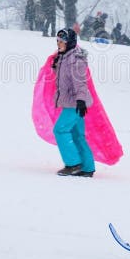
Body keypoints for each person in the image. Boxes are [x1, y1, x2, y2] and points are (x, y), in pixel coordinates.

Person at [51, 28, 96, 177]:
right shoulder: (64, 56)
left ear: (69, 42)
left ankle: (73, 164)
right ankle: (87, 168)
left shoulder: (76, 60)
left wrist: (81, 100)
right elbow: (63, 80)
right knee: (77, 135)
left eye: (62, 41)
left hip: (75, 103)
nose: (59, 44)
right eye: (58, 41)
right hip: (72, 102)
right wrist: (55, 66)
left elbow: (80, 83)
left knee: (60, 130)